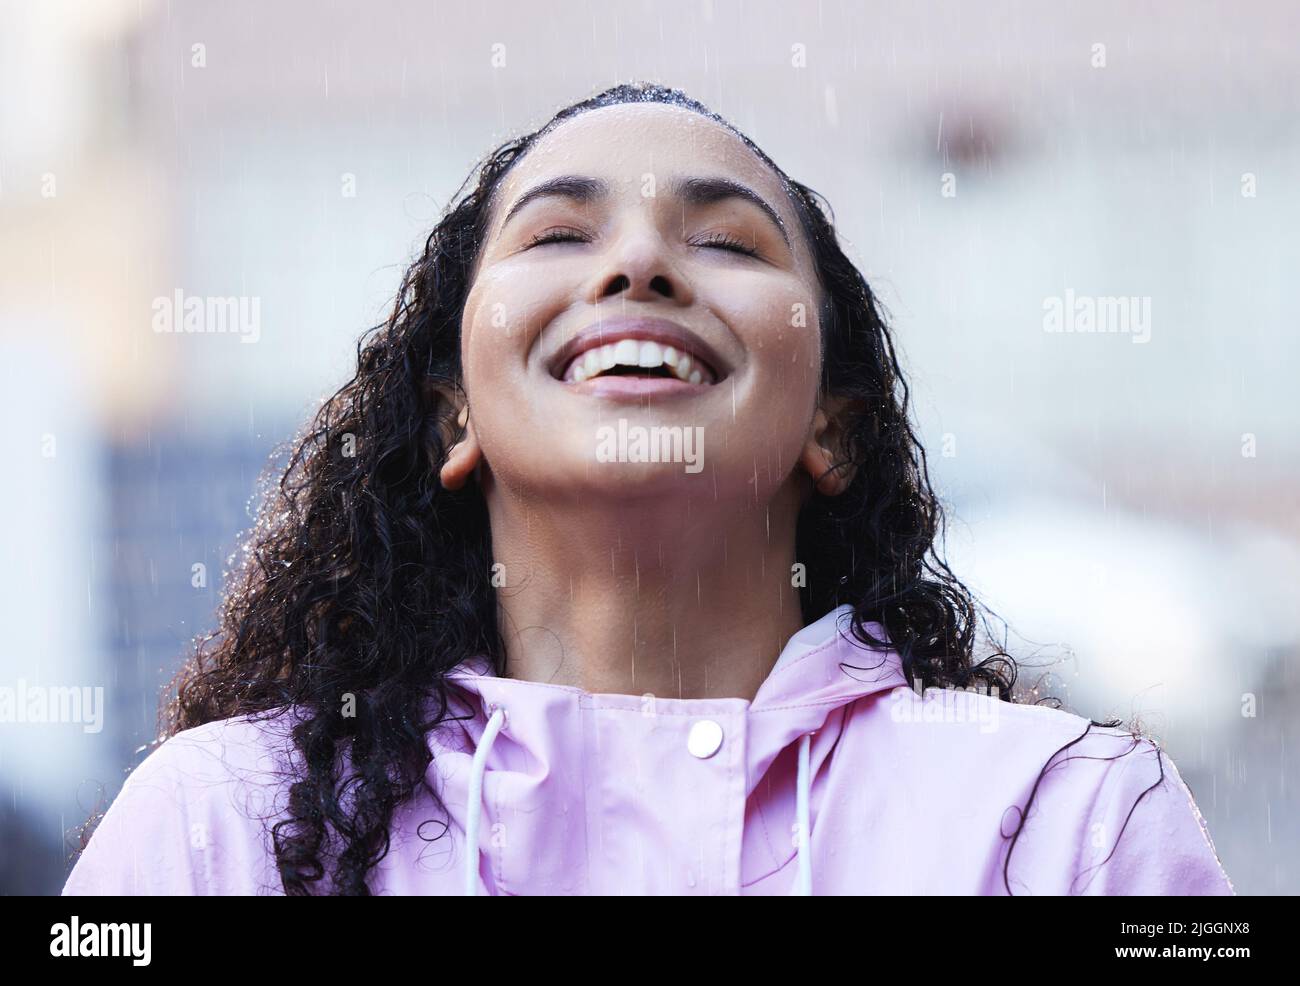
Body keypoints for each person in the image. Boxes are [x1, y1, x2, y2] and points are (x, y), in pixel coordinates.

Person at [63, 82, 1233, 896]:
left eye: (726, 243)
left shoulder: (1072, 820)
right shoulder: (217, 821)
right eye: (559, 232)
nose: (639, 262)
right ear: (452, 415)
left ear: (833, 422)